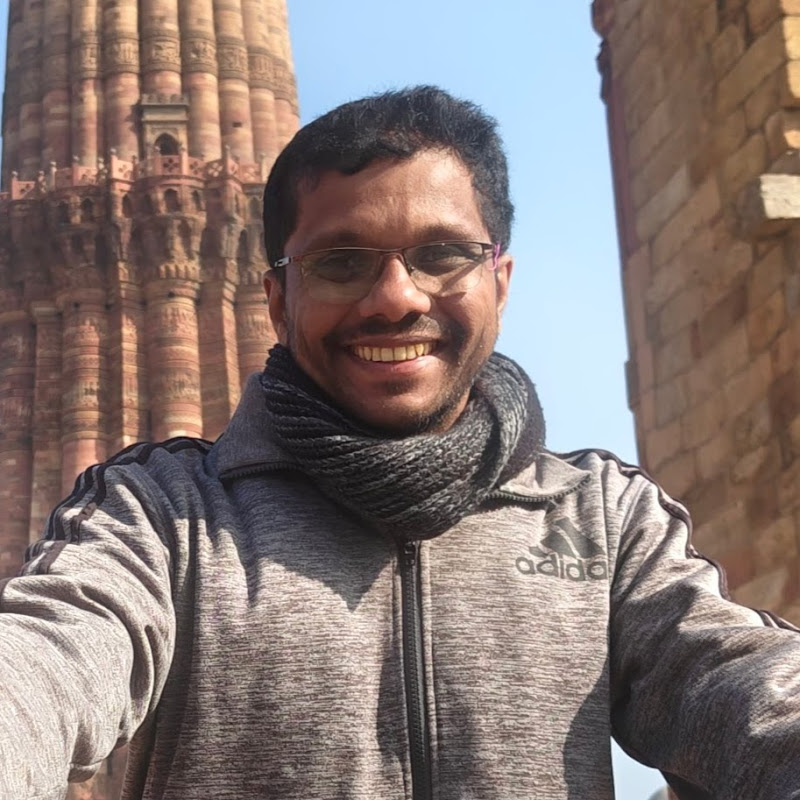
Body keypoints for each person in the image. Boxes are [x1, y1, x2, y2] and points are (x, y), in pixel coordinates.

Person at [1, 86, 799, 800]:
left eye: (442, 254)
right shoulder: (161, 519)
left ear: (500, 283)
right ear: (277, 300)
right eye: (341, 262)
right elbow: (42, 664)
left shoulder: (602, 520)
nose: (394, 297)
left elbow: (738, 680)